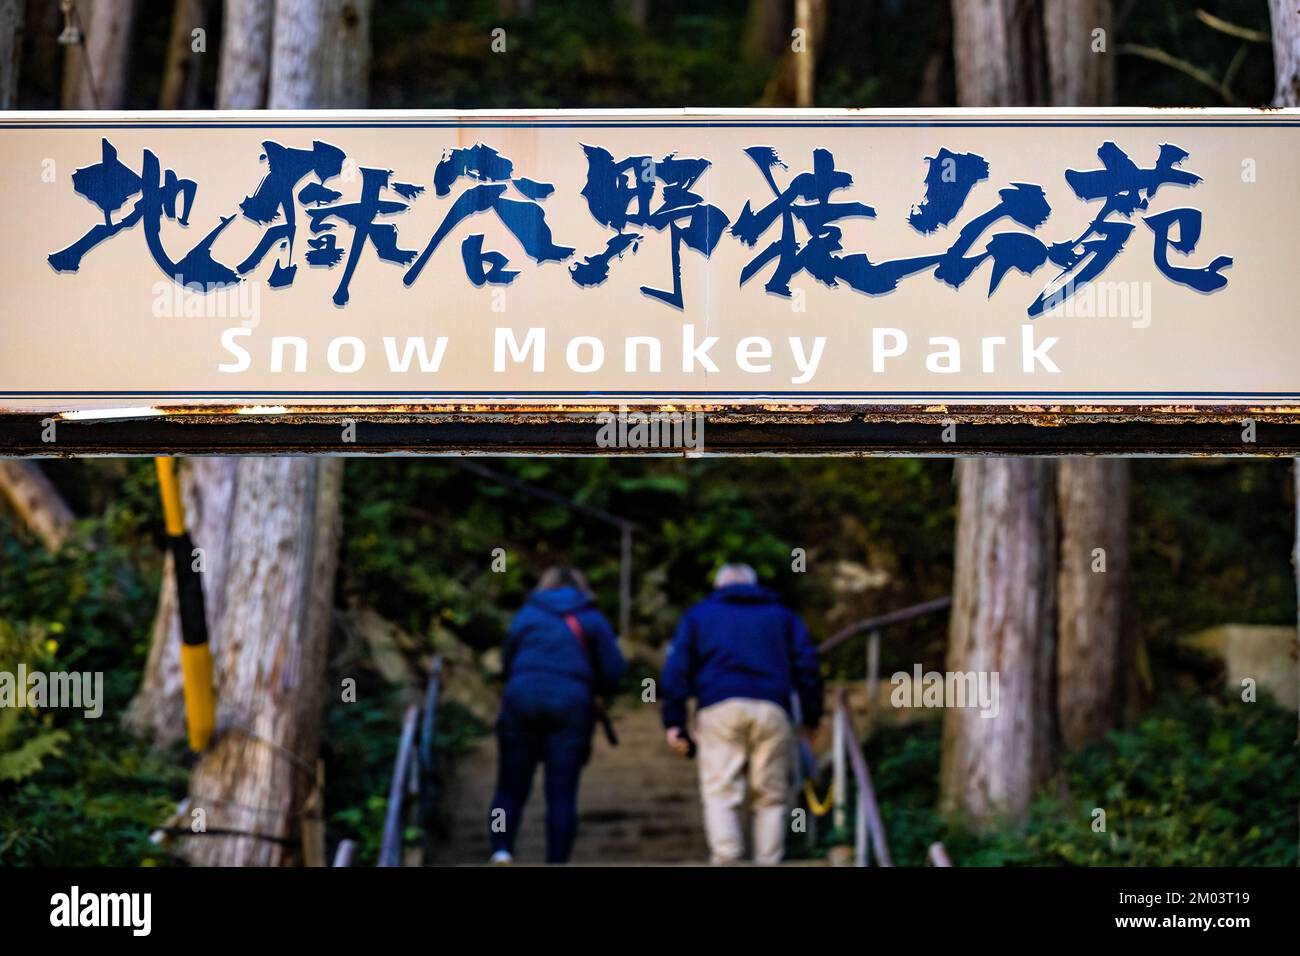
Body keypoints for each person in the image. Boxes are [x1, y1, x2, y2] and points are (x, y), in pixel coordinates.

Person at [660, 563, 823, 865]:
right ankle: (768, 860)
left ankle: (728, 858)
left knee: (721, 791)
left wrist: (674, 722)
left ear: (719, 586)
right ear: (753, 584)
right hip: (772, 708)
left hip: (718, 707)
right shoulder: (782, 614)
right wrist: (811, 717)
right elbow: (807, 665)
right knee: (771, 795)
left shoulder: (699, 615)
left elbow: (676, 670)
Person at [488, 565, 626, 864]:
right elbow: (615, 670)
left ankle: (501, 849)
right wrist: (593, 684)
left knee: (509, 786)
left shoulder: (527, 614)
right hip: (571, 703)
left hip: (521, 697)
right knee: (562, 793)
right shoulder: (591, 617)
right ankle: (557, 860)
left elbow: (506, 660)